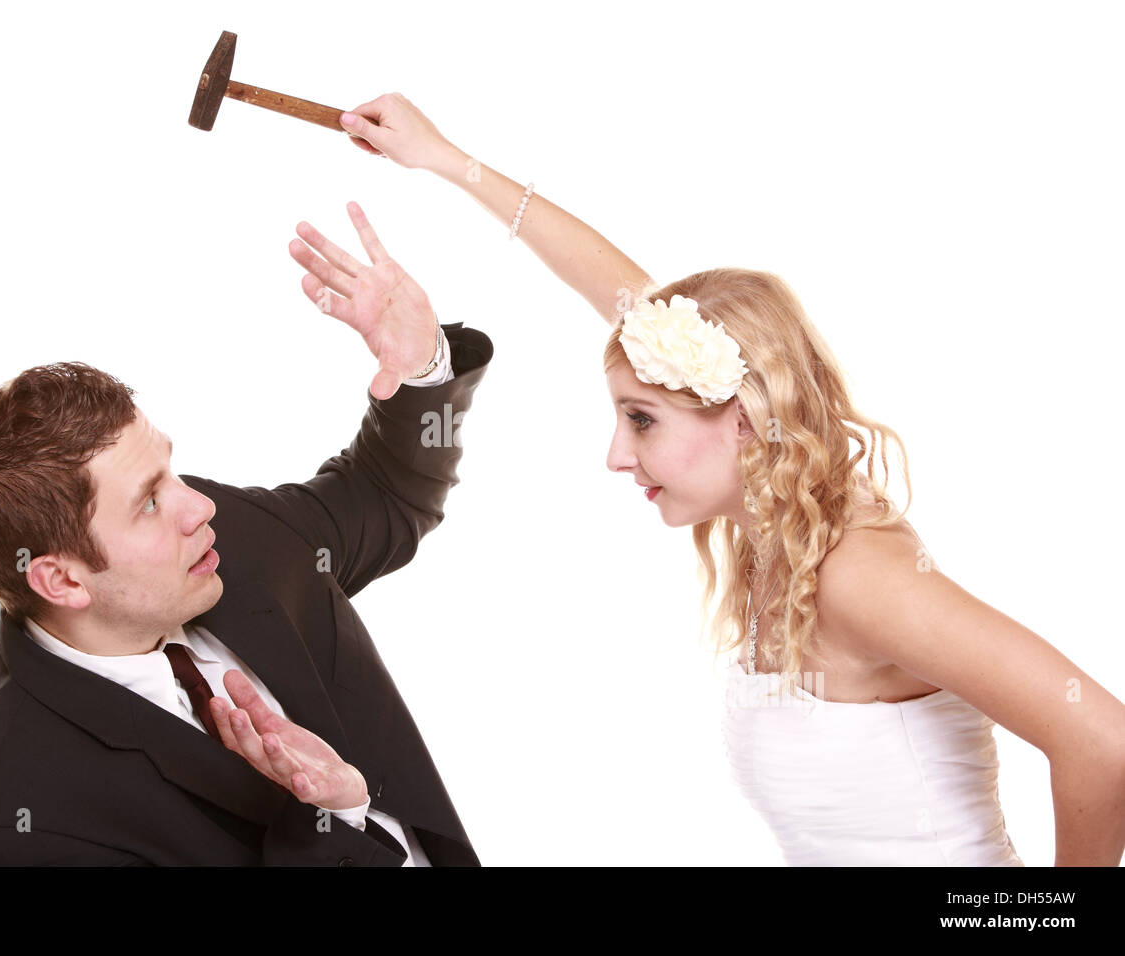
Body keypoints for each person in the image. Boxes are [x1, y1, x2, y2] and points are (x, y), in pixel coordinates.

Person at [327, 94, 1125, 866]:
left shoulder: (859, 575)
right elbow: (626, 296)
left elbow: (1102, 741)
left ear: (742, 418)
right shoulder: (778, 528)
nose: (615, 455)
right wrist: (444, 159)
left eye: (642, 420)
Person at [0, 203, 490, 866]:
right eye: (148, 502)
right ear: (60, 578)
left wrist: (422, 365)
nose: (199, 505)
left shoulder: (222, 537)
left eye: (169, 468)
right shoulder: (18, 814)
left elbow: (387, 497)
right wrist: (334, 818)